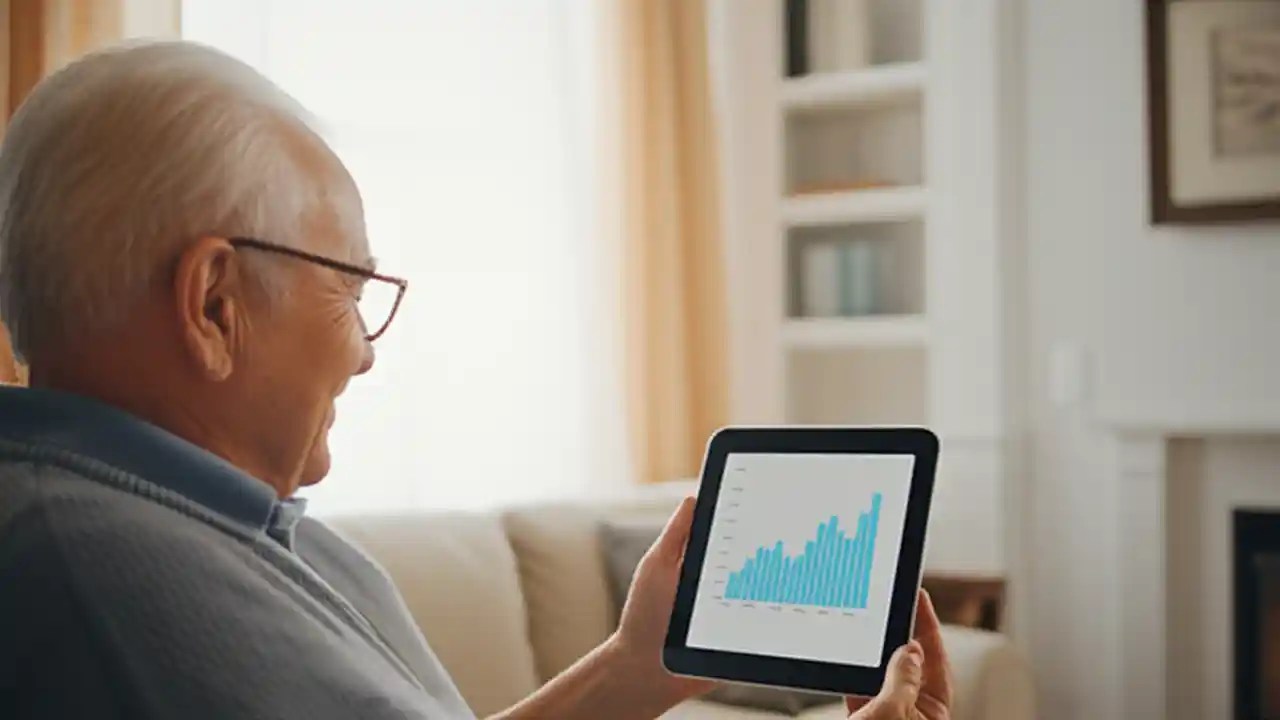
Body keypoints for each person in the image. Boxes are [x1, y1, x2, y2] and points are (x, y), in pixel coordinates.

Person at [0, 41, 951, 720]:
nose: (366, 351)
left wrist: (637, 663)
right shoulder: (106, 575)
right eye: (349, 288)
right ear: (214, 304)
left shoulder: (176, 522)